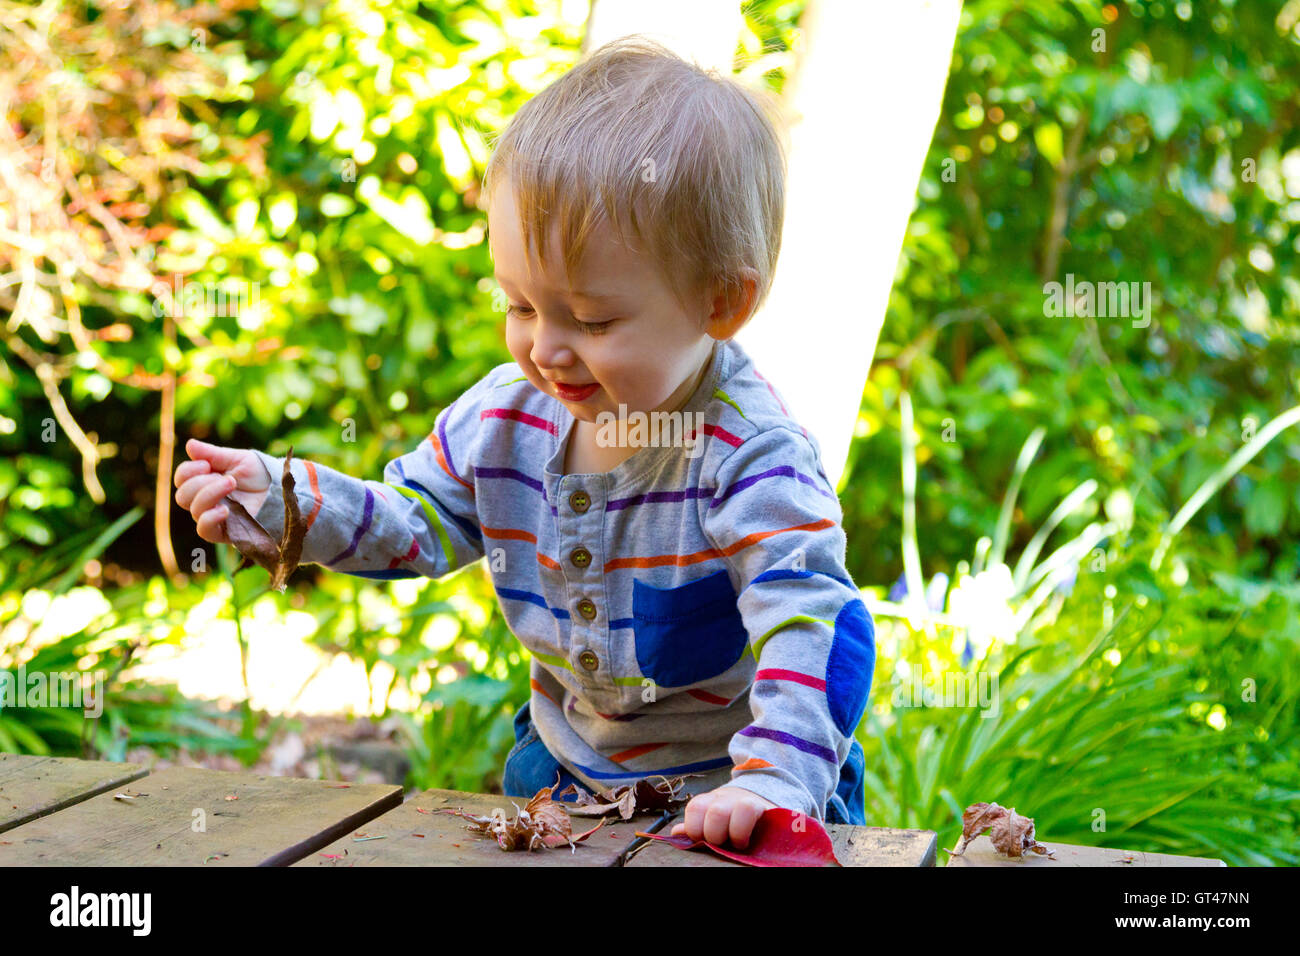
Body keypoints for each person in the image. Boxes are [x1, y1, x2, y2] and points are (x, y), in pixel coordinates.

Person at [174, 36, 875, 851]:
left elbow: (815, 624)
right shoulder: (505, 420)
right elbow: (418, 522)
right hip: (560, 776)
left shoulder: (750, 457)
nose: (545, 348)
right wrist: (294, 505)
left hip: (733, 798)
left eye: (592, 319)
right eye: (520, 305)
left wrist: (775, 776)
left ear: (721, 301)